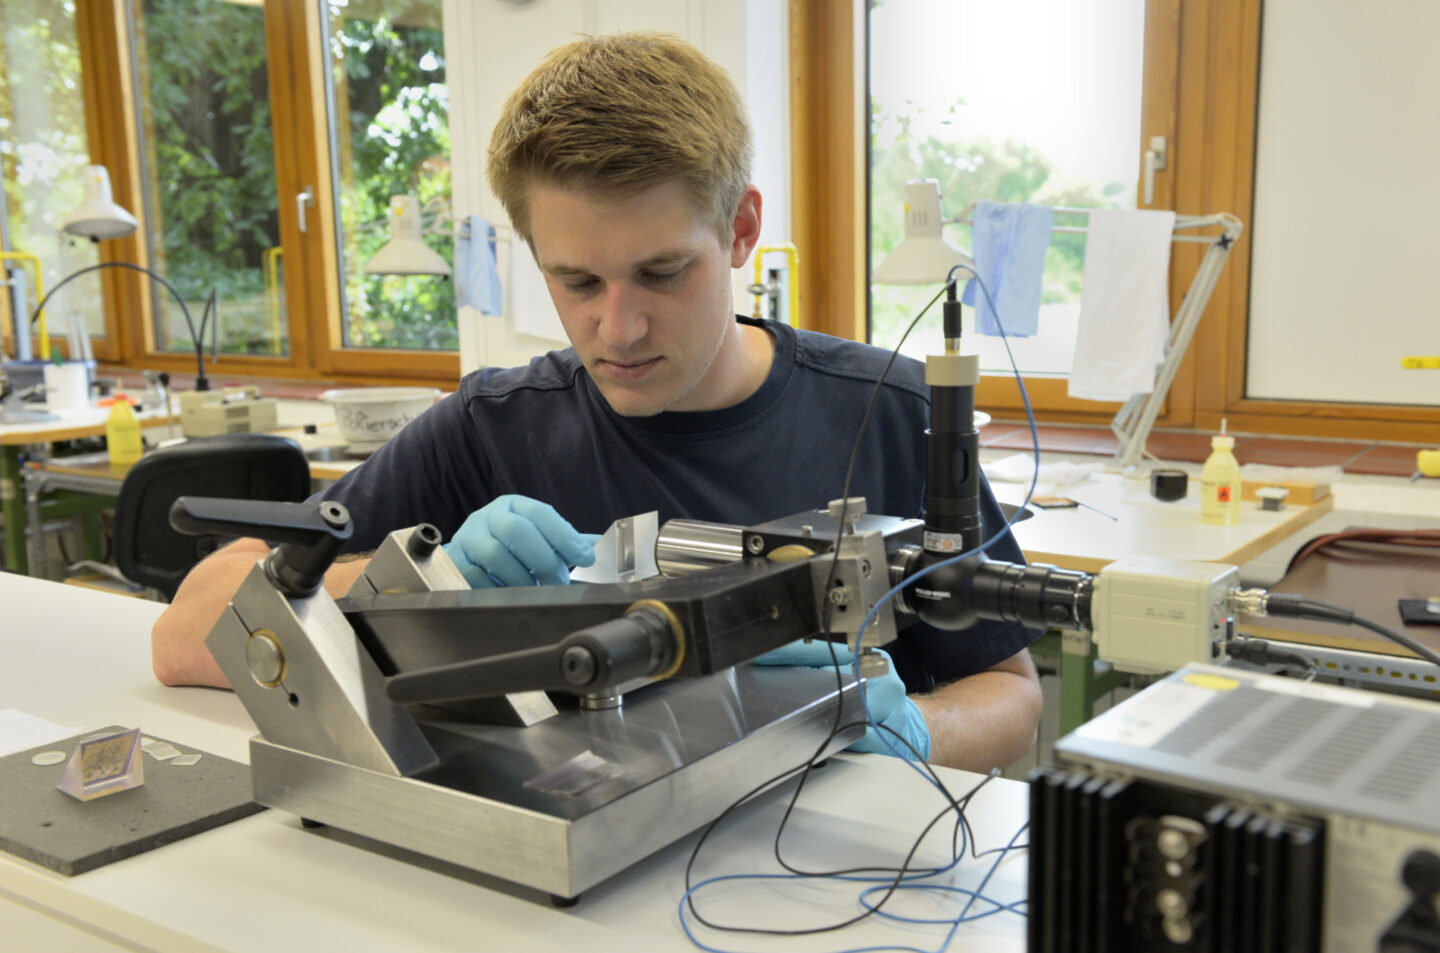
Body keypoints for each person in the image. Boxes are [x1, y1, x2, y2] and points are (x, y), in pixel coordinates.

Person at [151, 31, 1043, 772]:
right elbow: (189, 627)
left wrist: (922, 729)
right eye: (575, 280)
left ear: (740, 230)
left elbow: (1013, 694)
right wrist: (426, 583)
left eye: (661, 272)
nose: (617, 328)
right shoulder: (491, 426)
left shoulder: (884, 412)